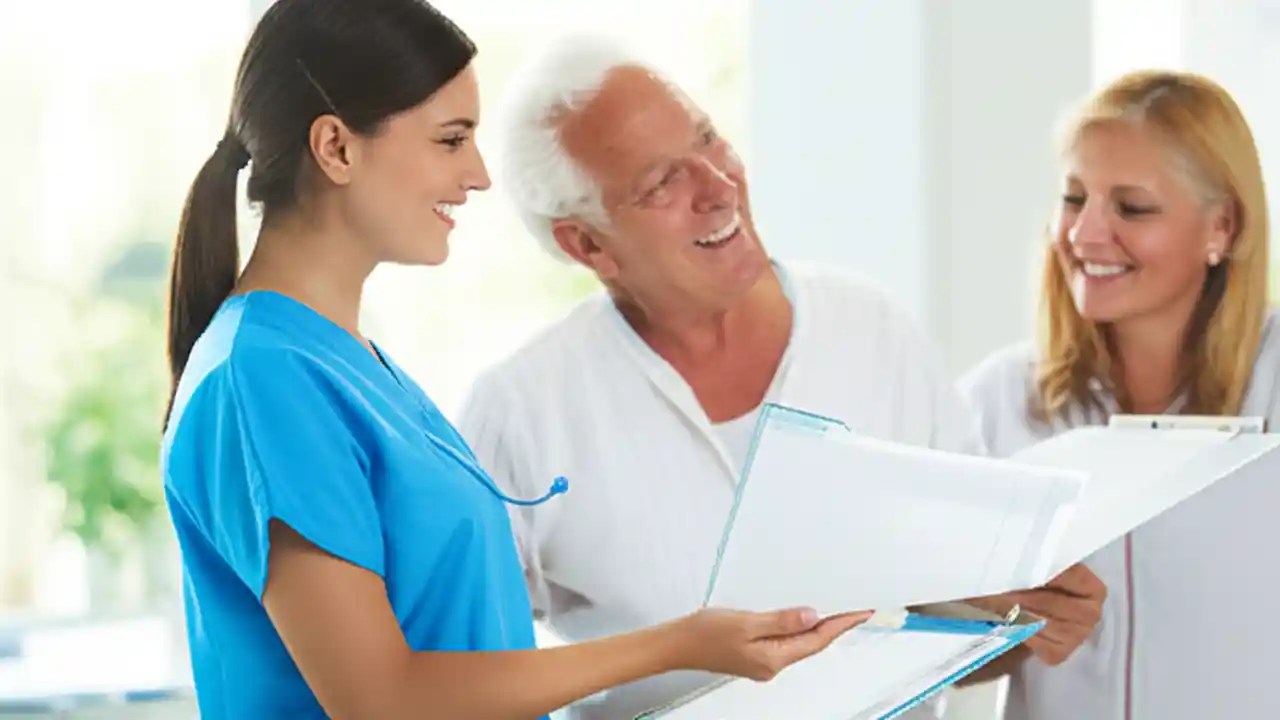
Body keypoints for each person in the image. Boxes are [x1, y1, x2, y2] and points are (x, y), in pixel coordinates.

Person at [160, 3, 872, 718]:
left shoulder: (350, 364)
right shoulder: (263, 379)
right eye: (450, 140)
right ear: (337, 148)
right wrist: (681, 643)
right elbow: (382, 699)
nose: (478, 176)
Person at [458, 37, 1104, 720]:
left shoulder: (874, 331)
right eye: (661, 184)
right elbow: (471, 676)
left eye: (707, 139)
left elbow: (957, 619)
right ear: (586, 244)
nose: (717, 185)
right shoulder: (521, 409)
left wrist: (1031, 622)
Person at [962, 70, 1278, 719]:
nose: (1084, 236)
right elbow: (909, 635)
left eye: (1131, 208)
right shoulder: (999, 399)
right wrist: (999, 619)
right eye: (1074, 199)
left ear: (1222, 226)